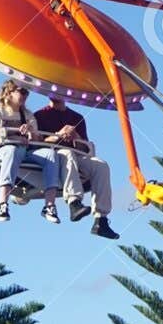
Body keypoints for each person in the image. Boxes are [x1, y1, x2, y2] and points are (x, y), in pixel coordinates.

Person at [32, 99, 119, 240]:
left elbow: (85, 147)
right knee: (67, 153)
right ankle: (74, 203)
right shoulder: (39, 115)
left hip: (76, 157)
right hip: (51, 157)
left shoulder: (77, 118)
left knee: (101, 165)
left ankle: (101, 220)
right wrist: (57, 135)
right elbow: (36, 143)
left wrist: (75, 137)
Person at [0, 81, 61, 223]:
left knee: (51, 154)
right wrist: (14, 136)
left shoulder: (27, 115)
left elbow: (37, 139)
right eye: (21, 91)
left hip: (25, 152)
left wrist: (31, 132)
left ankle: (49, 205)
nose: (25, 95)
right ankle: (2, 203)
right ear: (9, 92)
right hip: (2, 151)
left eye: (27, 92)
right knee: (12, 150)